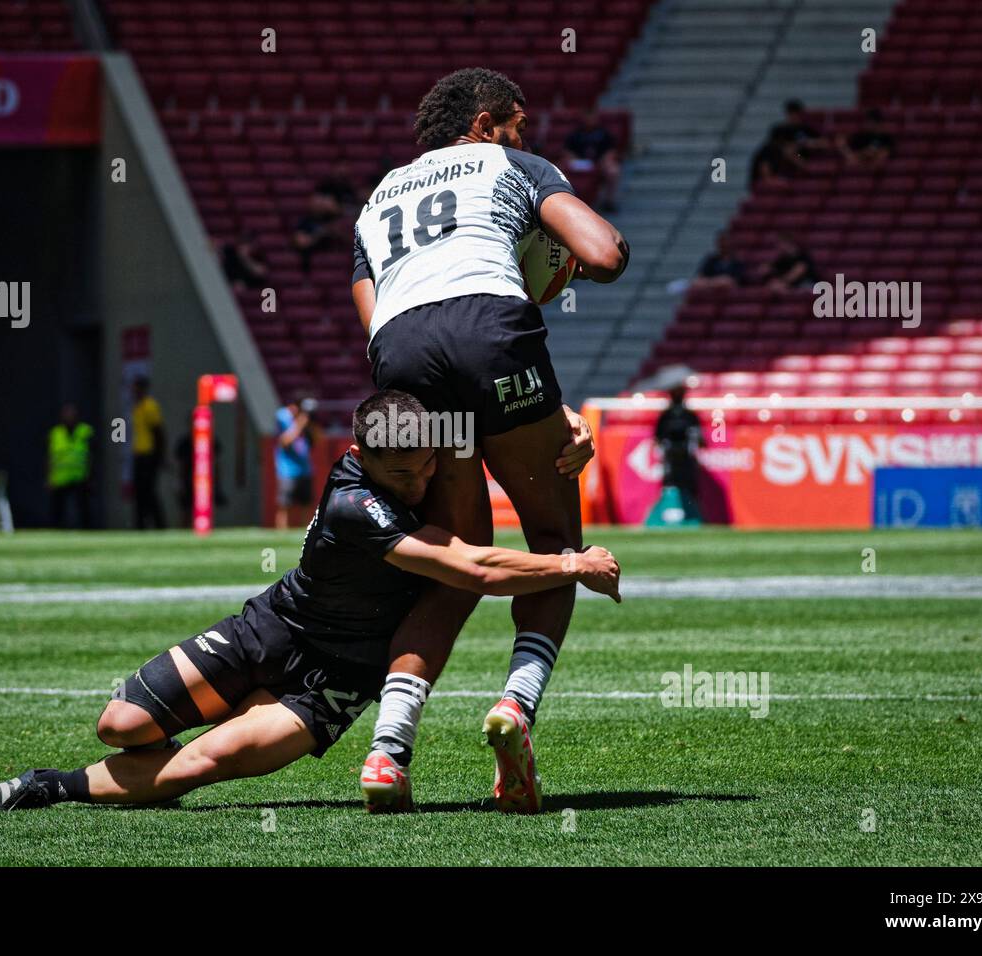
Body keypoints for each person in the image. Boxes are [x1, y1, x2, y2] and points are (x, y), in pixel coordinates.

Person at [0, 390, 620, 814]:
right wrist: (573, 562)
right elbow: (472, 567)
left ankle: (52, 784)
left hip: (338, 680)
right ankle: (154, 764)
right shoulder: (352, 504)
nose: (422, 483)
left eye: (428, 468)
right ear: (360, 455)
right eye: (403, 474)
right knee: (120, 726)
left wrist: (562, 418)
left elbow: (488, 395)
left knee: (201, 763)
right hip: (274, 629)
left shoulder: (412, 446)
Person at [350, 68, 629, 813]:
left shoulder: (378, 197)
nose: (523, 137)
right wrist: (569, 261)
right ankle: (514, 708)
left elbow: (376, 313)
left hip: (400, 351)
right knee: (552, 548)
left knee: (456, 562)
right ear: (483, 124)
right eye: (516, 124)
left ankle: (387, 750)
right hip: (492, 331)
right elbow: (602, 256)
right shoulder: (516, 167)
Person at [655, 384, 703, 517]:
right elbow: (657, 436)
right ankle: (668, 512)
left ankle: (692, 513)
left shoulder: (689, 415)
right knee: (669, 483)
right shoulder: (666, 415)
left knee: (689, 483)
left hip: (686, 456)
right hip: (670, 456)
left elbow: (699, 436)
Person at [562, 109, 622, 211]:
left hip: (599, 163)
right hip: (579, 163)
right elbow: (567, 152)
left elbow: (611, 151)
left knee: (613, 170)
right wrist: (575, 160)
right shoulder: (576, 134)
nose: (589, 120)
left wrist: (603, 161)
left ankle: (608, 201)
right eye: (587, 117)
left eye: (592, 117)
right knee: (559, 169)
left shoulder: (604, 133)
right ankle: (566, 200)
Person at [47, 402, 93, 529]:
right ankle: (56, 532)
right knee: (57, 511)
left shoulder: (85, 431)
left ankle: (87, 532)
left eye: (71, 413)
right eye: (66, 414)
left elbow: (91, 455)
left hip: (79, 476)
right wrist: (49, 477)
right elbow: (50, 457)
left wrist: (90, 475)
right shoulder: (56, 433)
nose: (69, 416)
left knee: (83, 509)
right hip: (60, 478)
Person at [274, 396, 316, 530]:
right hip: (287, 469)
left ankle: (307, 533)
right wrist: (299, 425)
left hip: (305, 468)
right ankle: (281, 534)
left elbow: (318, 440)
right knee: (285, 505)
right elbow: (284, 442)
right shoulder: (283, 418)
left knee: (306, 504)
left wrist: (310, 424)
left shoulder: (306, 421)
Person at [130, 376, 166, 530]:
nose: (133, 391)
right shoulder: (137, 408)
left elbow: (159, 433)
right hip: (139, 455)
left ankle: (159, 525)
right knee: (140, 493)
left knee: (149, 492)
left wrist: (159, 457)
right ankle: (140, 525)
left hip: (149, 455)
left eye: (136, 388)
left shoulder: (150, 407)